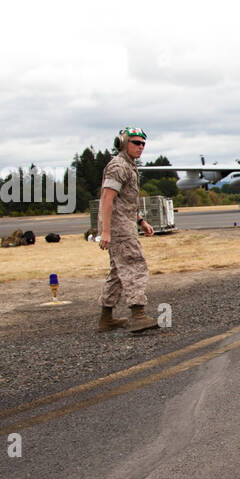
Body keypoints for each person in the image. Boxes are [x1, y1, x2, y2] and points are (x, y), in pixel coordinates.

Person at [97, 127, 159, 333]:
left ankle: (106, 318)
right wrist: (106, 231)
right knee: (135, 265)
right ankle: (138, 315)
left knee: (118, 271)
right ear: (123, 143)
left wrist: (141, 221)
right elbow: (108, 198)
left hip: (125, 223)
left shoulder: (129, 166)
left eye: (143, 144)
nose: (140, 147)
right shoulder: (118, 166)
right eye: (135, 142)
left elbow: (126, 201)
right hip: (119, 228)